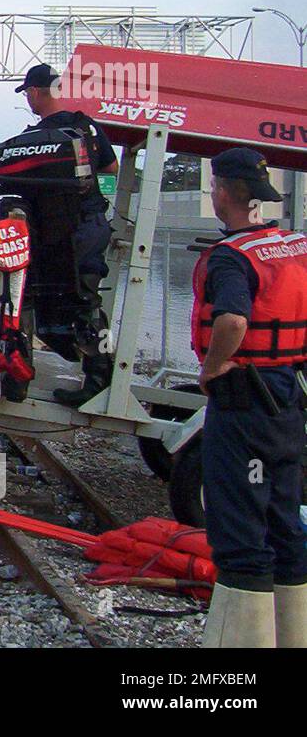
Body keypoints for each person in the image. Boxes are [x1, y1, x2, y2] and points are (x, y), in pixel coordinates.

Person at [191, 148, 307, 647]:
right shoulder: (293, 245)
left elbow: (234, 320)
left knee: (239, 523)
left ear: (223, 192)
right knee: (284, 515)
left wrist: (215, 366)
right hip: (289, 392)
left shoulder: (232, 257)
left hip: (245, 397)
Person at [0, 62, 119, 407]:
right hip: (88, 229)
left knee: (24, 300)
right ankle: (99, 377)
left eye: (28, 93)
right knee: (89, 304)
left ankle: (17, 379)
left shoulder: (29, 142)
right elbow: (111, 168)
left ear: (34, 92)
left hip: (46, 236)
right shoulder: (87, 128)